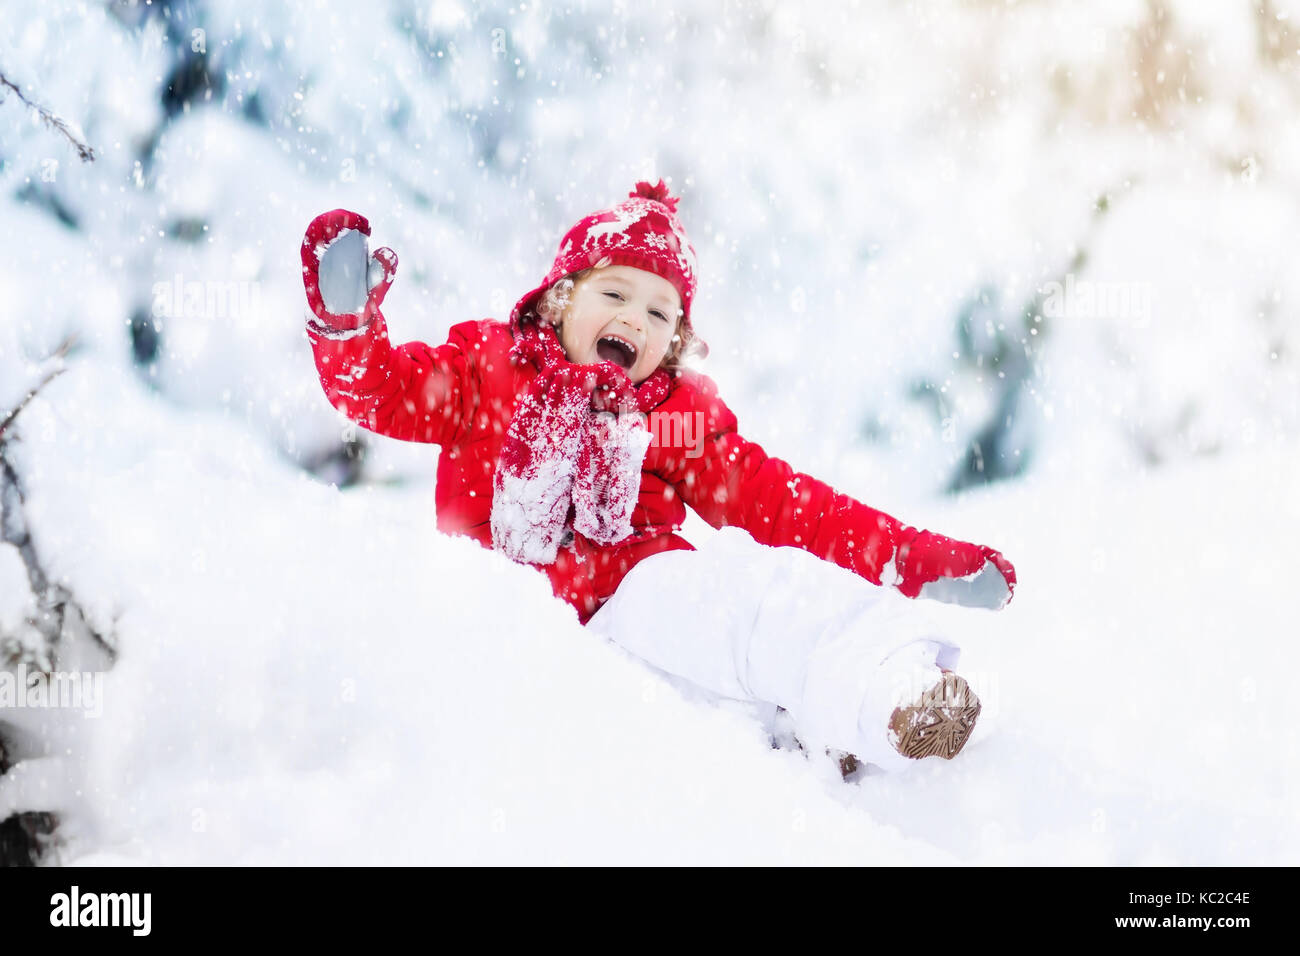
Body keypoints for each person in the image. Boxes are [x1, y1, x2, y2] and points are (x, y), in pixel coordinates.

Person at [300, 180, 1017, 772]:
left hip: (637, 600)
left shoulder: (671, 418)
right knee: (708, 703)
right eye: (614, 295)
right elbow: (382, 393)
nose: (635, 320)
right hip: (503, 621)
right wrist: (346, 323)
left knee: (759, 606)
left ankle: (899, 698)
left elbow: (792, 506)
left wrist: (917, 559)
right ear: (561, 299)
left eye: (659, 312)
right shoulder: (487, 372)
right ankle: (811, 733)